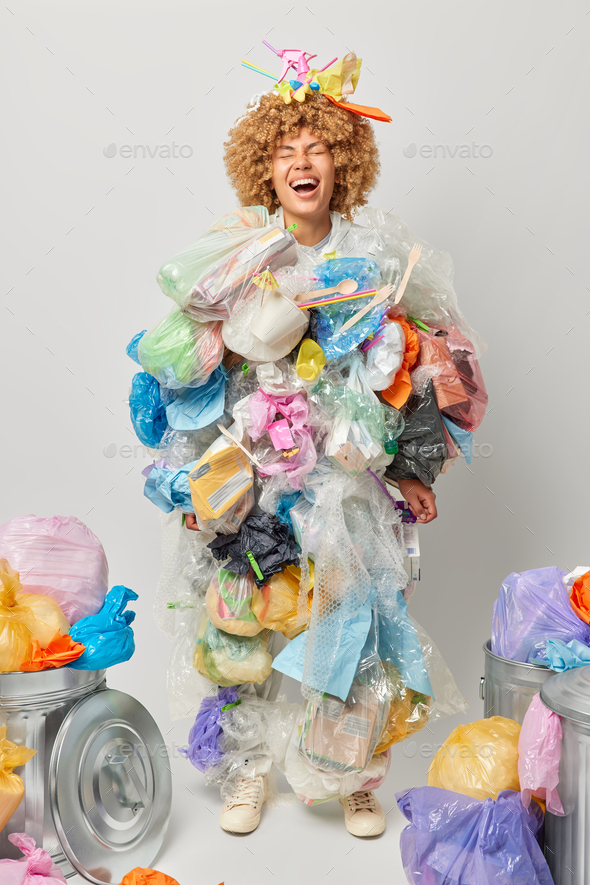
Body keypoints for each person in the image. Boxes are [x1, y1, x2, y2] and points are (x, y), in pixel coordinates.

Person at [134, 49, 485, 839]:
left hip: (345, 473)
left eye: (317, 145)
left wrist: (414, 466)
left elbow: (421, 368)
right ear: (263, 165)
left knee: (349, 617)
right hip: (254, 468)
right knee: (246, 621)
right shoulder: (237, 253)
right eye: (285, 148)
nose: (302, 160)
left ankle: (349, 773)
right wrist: (192, 480)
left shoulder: (377, 261)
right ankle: (248, 769)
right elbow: (193, 376)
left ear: (342, 160)